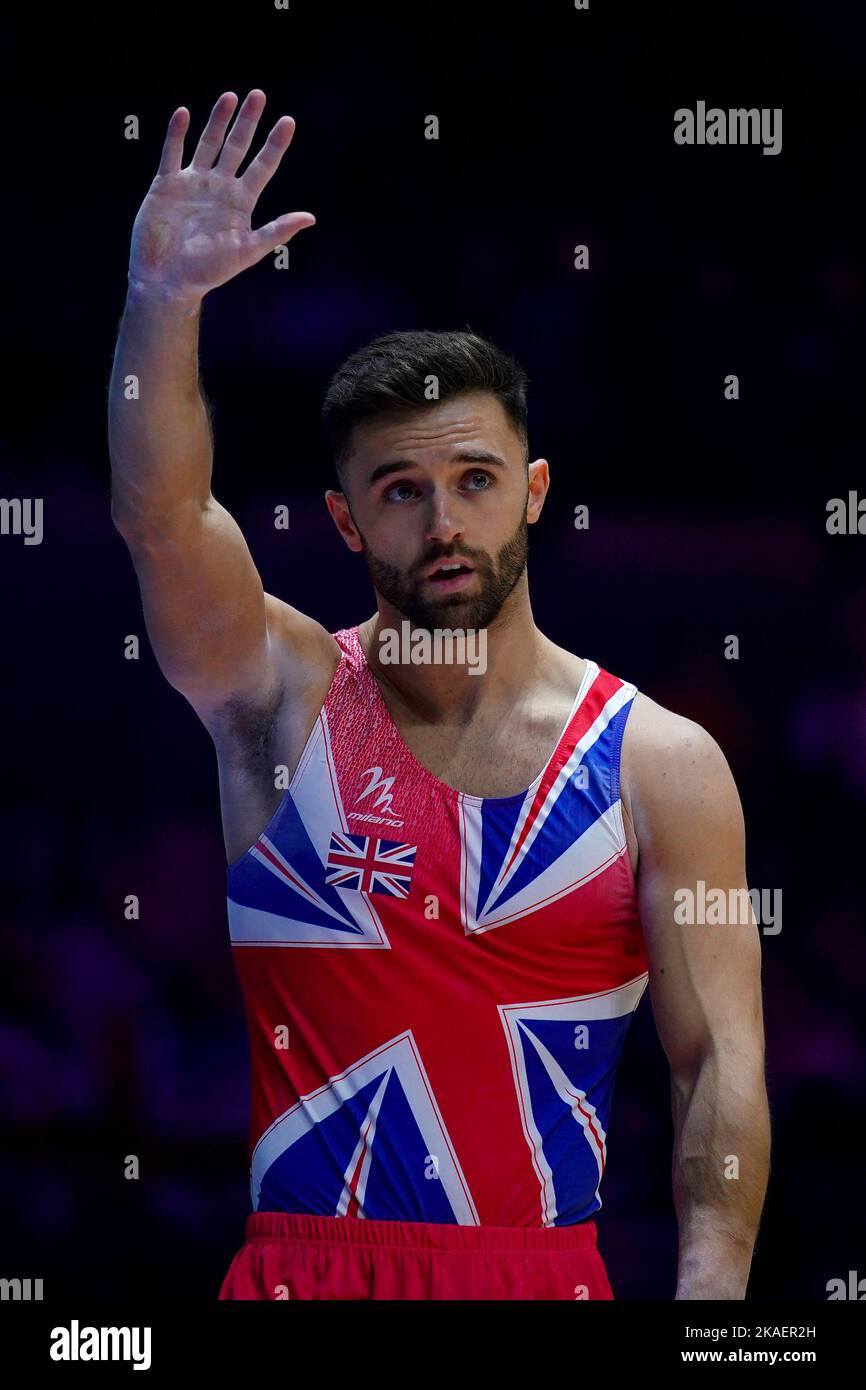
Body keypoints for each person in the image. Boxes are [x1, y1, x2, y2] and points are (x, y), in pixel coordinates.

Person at [108, 88, 770, 1301]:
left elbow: (715, 1062)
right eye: (400, 490)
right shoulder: (278, 698)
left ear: (533, 490)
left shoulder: (658, 763)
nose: (443, 520)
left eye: (474, 478)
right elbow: (163, 520)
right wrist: (162, 302)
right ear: (344, 519)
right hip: (305, 1278)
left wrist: (712, 1303)